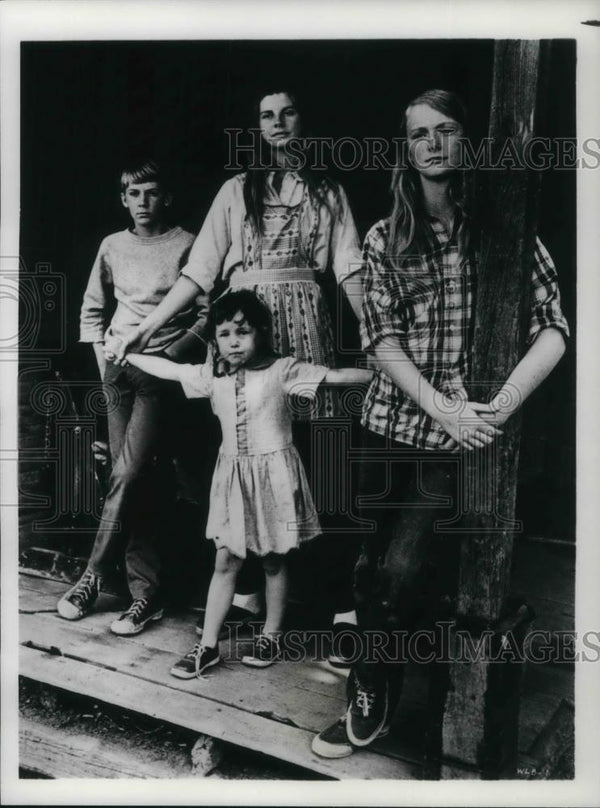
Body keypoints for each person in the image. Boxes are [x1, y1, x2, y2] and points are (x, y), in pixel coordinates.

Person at [312, 89, 570, 758]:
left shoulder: (504, 231)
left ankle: (380, 681)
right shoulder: (385, 236)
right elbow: (382, 341)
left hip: (456, 439)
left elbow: (554, 328)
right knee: (371, 568)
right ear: (406, 149)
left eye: (446, 130)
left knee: (402, 570)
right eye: (420, 133)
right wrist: (444, 406)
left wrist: (500, 405)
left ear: (465, 141)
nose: (433, 142)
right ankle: (376, 668)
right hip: (391, 424)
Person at [115, 90, 365, 659]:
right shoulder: (235, 191)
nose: (278, 123)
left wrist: (379, 339)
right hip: (238, 329)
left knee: (314, 463)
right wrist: (141, 328)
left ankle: (341, 605)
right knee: (238, 453)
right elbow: (200, 272)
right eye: (266, 115)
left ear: (306, 119)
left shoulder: (327, 191)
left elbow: (349, 270)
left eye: (289, 112)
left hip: (303, 329)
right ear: (255, 127)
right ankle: (248, 588)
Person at [115, 290, 373, 674]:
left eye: (243, 331)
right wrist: (127, 351)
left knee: (273, 559)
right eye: (223, 333)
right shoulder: (212, 376)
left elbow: (334, 377)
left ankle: (271, 635)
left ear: (261, 333)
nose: (233, 341)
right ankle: (207, 646)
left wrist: (387, 373)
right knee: (226, 559)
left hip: (274, 479)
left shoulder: (283, 370)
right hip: (233, 481)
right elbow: (170, 370)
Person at [57, 159, 205, 635]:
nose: (143, 203)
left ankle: (93, 575)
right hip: (118, 373)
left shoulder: (186, 242)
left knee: (128, 472)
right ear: (123, 199)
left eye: (152, 193)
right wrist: (106, 365)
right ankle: (146, 595)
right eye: (133, 194)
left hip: (159, 375)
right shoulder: (112, 246)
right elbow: (92, 311)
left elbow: (208, 316)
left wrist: (168, 359)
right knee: (131, 479)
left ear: (167, 198)